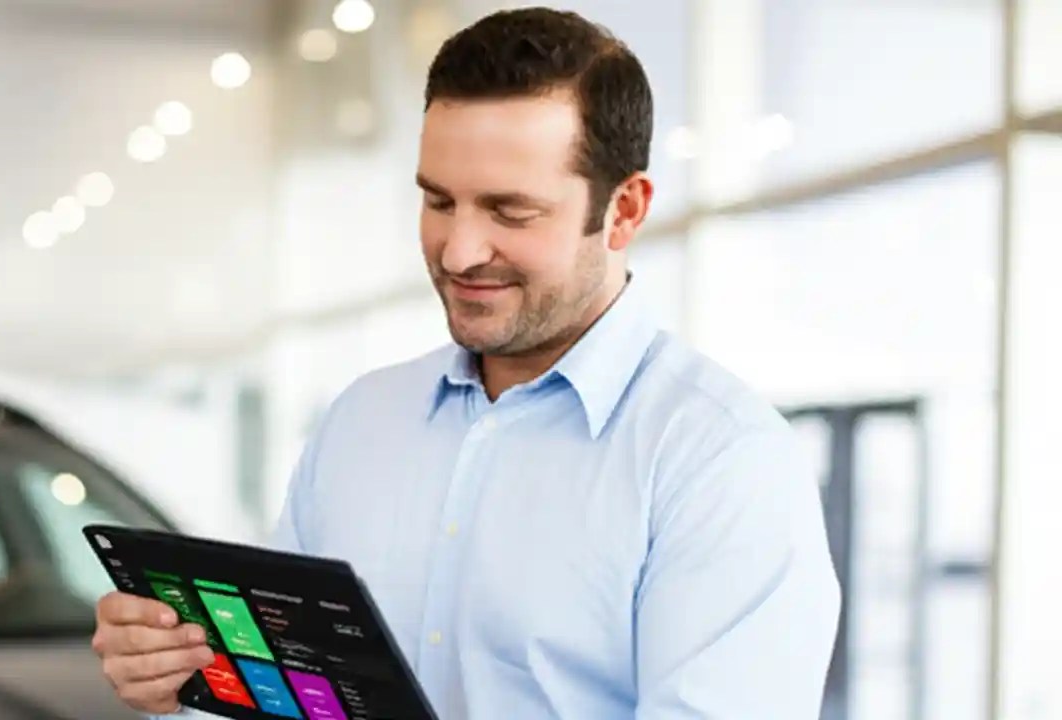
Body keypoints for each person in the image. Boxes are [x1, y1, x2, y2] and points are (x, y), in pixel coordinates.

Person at [91, 7, 840, 719]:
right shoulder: (362, 420)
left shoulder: (721, 460)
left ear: (625, 212)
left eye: (510, 212)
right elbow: (289, 694)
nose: (459, 251)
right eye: (439, 202)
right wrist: (185, 681)